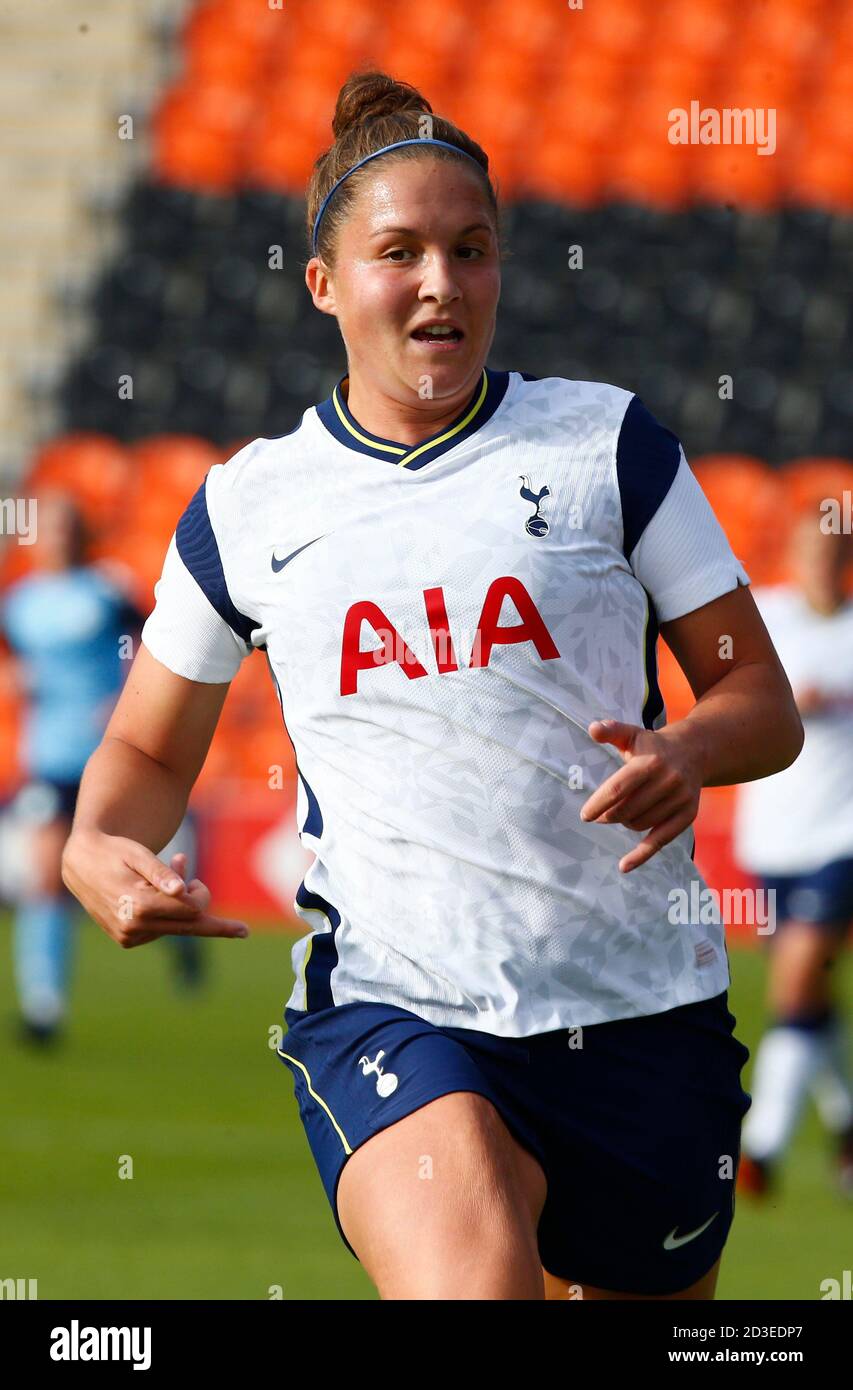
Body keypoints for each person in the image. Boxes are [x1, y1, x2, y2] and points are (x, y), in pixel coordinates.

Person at [61, 71, 804, 1301]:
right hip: (398, 1008)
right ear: (323, 283)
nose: (440, 283)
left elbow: (757, 701)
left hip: (639, 1012)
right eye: (397, 252)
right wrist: (98, 845)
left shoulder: (607, 447)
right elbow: (143, 757)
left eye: (471, 250)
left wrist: (690, 751)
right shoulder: (249, 506)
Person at [1, 490, 203, 1042]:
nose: (59, 536)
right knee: (44, 878)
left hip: (109, 756)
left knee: (149, 866)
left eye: (69, 525)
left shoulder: (108, 589)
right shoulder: (18, 604)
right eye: (50, 527)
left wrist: (125, 697)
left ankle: (182, 939)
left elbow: (153, 646)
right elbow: (13, 666)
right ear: (35, 538)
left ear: (82, 532)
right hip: (49, 759)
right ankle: (44, 1009)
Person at [733, 510, 853, 1199]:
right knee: (811, 998)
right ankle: (845, 1130)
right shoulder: (764, 617)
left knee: (794, 983)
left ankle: (761, 1146)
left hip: (839, 839)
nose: (819, 564)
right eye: (808, 551)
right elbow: (719, 693)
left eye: (831, 552)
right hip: (771, 836)